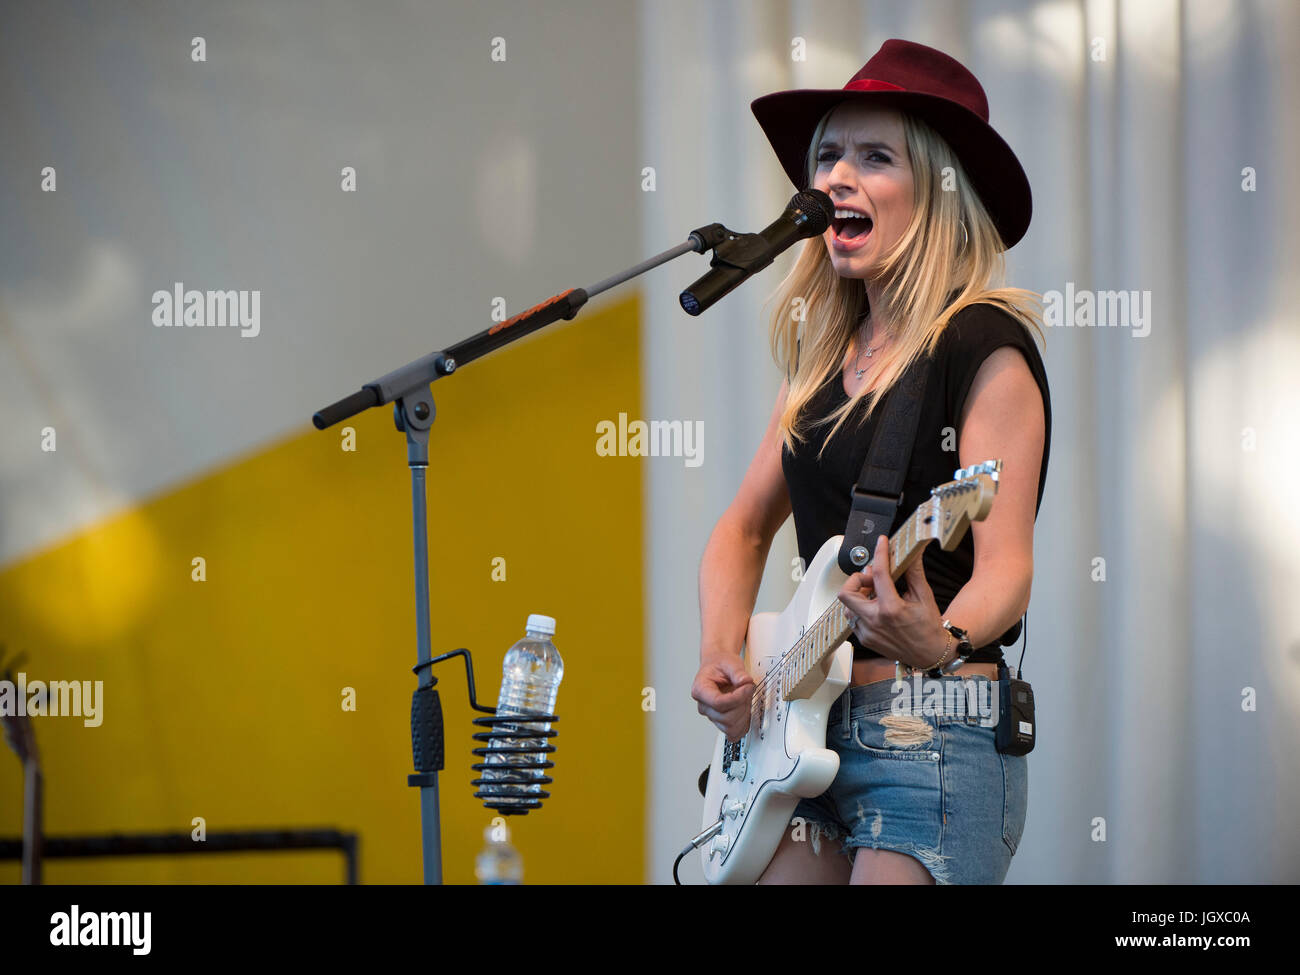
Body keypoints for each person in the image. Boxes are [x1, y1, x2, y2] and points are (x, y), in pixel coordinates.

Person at [690, 39, 1051, 885]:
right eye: (827, 155)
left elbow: (1007, 565)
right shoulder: (820, 364)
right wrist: (722, 656)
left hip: (933, 729)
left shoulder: (984, 348)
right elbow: (741, 531)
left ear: (938, 192)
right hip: (801, 736)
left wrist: (945, 635)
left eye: (874, 157)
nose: (837, 177)